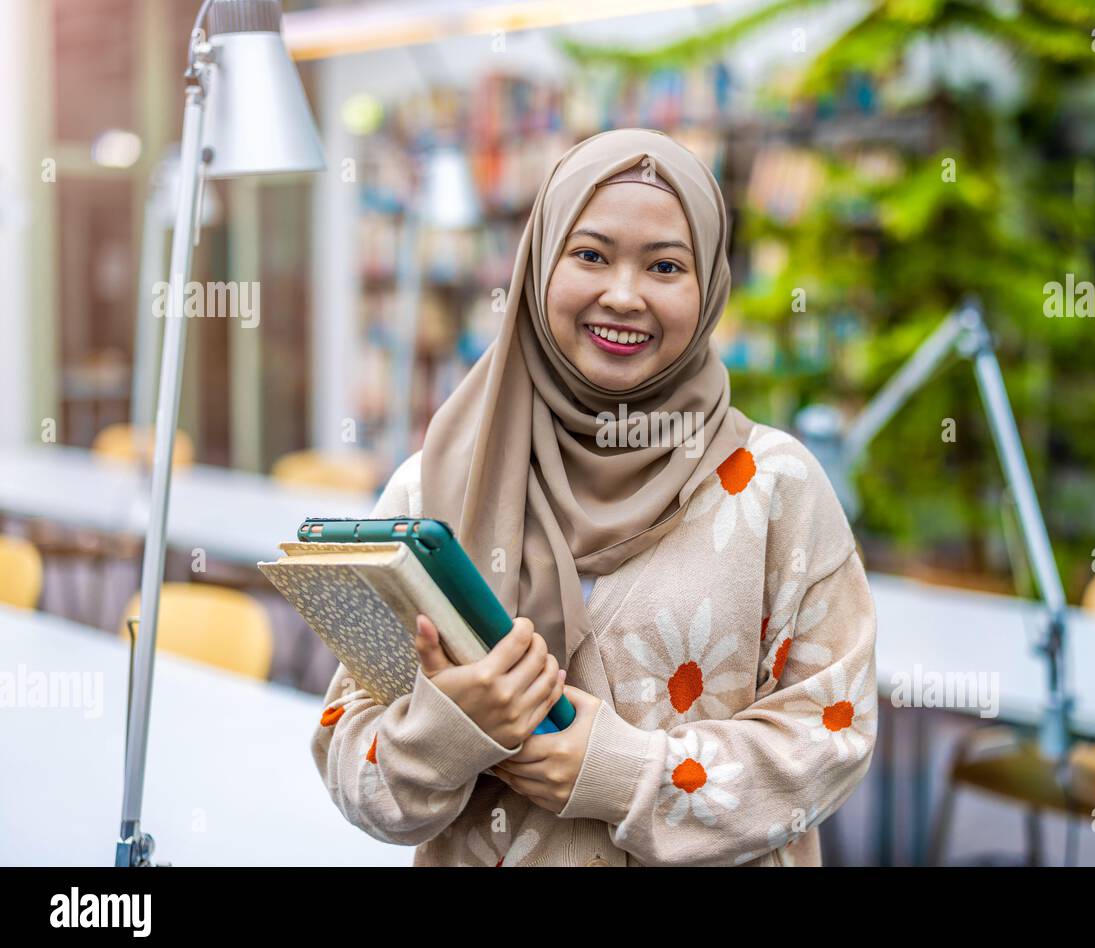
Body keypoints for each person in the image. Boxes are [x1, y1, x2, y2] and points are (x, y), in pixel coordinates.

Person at [311, 127, 878, 866]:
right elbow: (351, 758)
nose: (623, 295)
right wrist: (448, 731)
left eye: (666, 265)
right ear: (539, 264)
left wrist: (628, 773)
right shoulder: (433, 487)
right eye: (590, 255)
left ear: (708, 287)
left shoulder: (774, 486)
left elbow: (833, 736)